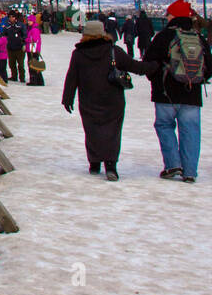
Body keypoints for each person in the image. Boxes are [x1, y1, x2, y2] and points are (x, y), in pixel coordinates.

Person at [62, 20, 150, 181]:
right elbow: (136, 67)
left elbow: (72, 77)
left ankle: (94, 162)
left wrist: (67, 98)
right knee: (112, 132)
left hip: (88, 99)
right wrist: (156, 65)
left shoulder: (79, 54)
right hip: (113, 99)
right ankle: (111, 164)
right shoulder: (113, 51)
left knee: (92, 130)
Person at [141, 0, 212, 183]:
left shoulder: (164, 37)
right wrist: (195, 80)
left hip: (166, 93)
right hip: (192, 95)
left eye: (168, 14)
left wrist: (156, 81)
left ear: (173, 16)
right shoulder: (198, 38)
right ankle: (189, 172)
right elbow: (210, 68)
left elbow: (149, 62)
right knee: (190, 131)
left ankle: (173, 164)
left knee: (164, 126)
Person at [5, 13, 27, 82]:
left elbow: (25, 35)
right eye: (10, 17)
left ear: (15, 18)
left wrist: (22, 42)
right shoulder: (7, 25)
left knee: (20, 64)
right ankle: (14, 76)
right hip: (10, 47)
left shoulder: (20, 25)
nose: (11, 18)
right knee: (11, 64)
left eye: (13, 17)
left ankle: (22, 77)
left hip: (19, 47)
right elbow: (4, 34)